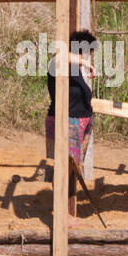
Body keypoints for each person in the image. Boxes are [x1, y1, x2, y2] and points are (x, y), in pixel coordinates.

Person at [45, 30, 98, 183]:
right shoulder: (58, 62)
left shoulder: (74, 68)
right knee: (64, 168)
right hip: (68, 122)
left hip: (80, 121)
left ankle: (68, 198)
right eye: (88, 53)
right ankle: (58, 200)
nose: (88, 57)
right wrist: (85, 62)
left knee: (72, 168)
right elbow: (60, 56)